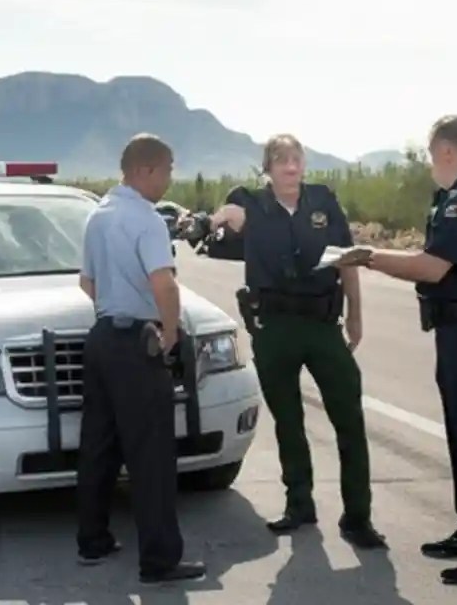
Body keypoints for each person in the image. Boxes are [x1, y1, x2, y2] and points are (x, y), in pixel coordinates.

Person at [342, 114, 457, 585]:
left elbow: (433, 267)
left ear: (446, 150)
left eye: (431, 156)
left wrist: (368, 257)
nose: (431, 167)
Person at [183, 133, 387, 550]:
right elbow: (230, 213)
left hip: (322, 323)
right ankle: (299, 504)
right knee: (289, 422)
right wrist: (221, 218)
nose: (290, 167)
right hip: (275, 327)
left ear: (304, 164)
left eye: (296, 159)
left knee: (348, 416)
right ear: (268, 169)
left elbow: (346, 260)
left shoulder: (323, 201)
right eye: (281, 161)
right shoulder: (252, 202)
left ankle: (358, 516)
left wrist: (357, 317)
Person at [75, 133, 207, 585]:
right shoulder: (147, 219)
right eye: (168, 170)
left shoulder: (98, 215)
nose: (170, 180)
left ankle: (92, 541)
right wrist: (169, 334)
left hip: (101, 339)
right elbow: (164, 284)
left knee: (99, 445)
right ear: (146, 170)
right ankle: (159, 559)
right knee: (151, 455)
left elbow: (86, 285)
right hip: (137, 343)